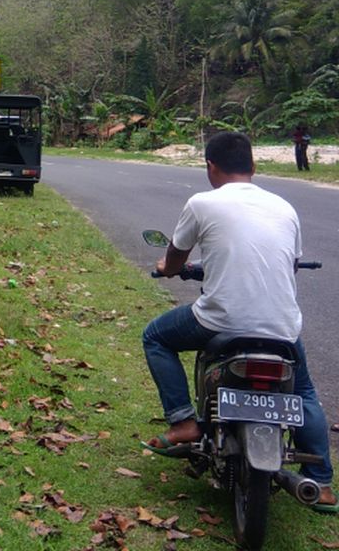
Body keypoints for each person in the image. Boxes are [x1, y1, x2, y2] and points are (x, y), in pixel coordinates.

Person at [141, 131, 335, 512]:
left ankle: (183, 422)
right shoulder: (284, 208)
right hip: (281, 326)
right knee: (305, 392)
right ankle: (324, 483)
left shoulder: (202, 203)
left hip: (220, 322)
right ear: (254, 166)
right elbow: (287, 263)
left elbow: (175, 260)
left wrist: (167, 268)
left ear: (210, 167)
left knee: (155, 337)